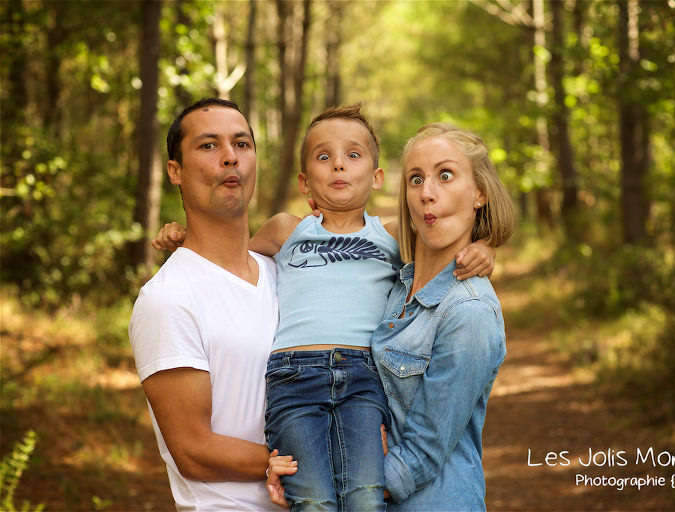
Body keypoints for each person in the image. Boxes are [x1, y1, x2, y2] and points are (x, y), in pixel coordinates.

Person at [153, 105, 497, 511]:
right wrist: (182, 237)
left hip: (362, 374)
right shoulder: (286, 228)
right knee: (312, 500)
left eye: (353, 155)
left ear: (377, 177)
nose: (338, 165)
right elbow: (225, 257)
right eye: (323, 157)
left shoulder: (390, 235)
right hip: (294, 373)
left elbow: (440, 236)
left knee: (366, 498)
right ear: (304, 181)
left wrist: (485, 247)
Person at [267, 122, 514, 511]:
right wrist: (302, 470)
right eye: (416, 179)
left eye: (445, 176)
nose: (428, 193)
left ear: (479, 192)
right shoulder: (397, 283)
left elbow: (423, 452)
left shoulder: (470, 312)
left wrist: (327, 488)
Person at [129, 97, 287, 511]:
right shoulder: (168, 298)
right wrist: (320, 459)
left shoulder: (283, 272)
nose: (230, 157)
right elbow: (194, 451)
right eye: (208, 146)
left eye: (242, 144)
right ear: (175, 172)